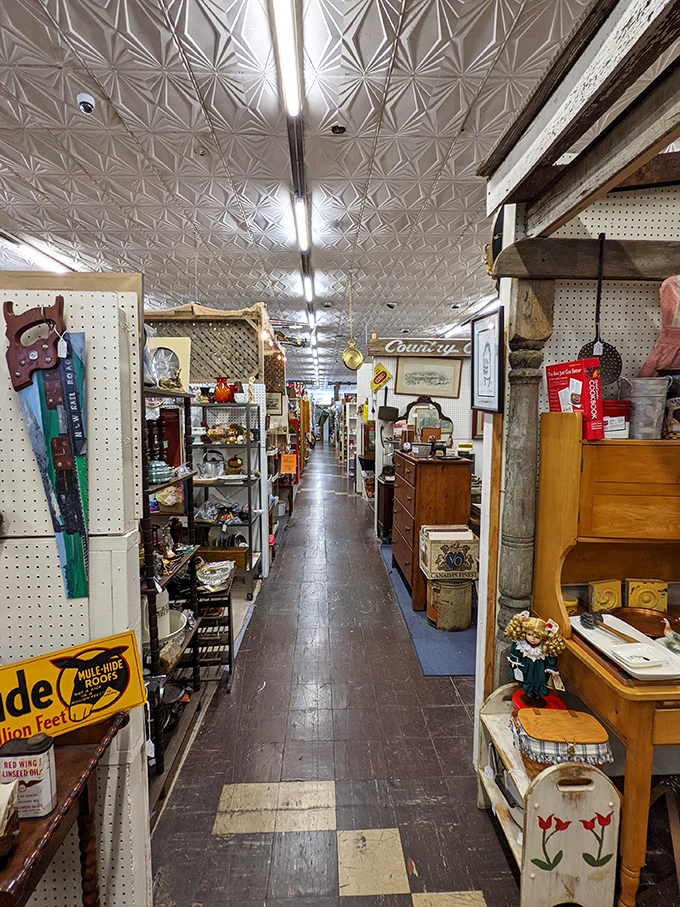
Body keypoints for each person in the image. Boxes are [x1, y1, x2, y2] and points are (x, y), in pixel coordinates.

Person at [505, 611, 565, 704]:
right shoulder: (522, 645)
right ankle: (528, 694)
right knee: (526, 681)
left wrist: (551, 668)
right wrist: (514, 661)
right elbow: (515, 653)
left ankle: (536, 695)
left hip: (539, 670)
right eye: (529, 635)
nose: (532, 639)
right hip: (526, 667)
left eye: (537, 637)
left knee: (539, 682)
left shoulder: (543, 648)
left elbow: (550, 659)